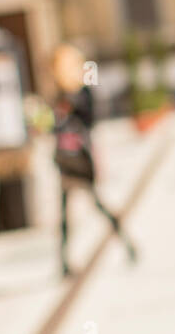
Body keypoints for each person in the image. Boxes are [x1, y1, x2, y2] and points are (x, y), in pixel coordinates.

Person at [50, 43, 137, 280]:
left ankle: (128, 242)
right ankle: (64, 263)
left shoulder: (83, 92)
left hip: (81, 160)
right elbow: (54, 126)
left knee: (98, 205)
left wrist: (69, 110)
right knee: (66, 215)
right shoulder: (59, 94)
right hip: (65, 162)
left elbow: (90, 121)